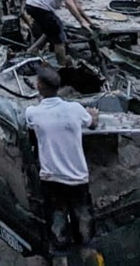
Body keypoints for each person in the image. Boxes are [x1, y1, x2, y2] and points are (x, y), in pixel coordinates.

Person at [25, 66, 100, 266]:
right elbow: (92, 123)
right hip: (78, 179)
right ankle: (88, 256)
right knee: (85, 230)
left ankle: (61, 260)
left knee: (58, 229)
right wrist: (93, 113)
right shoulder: (75, 109)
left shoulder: (34, 113)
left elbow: (27, 123)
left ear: (39, 86)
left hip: (52, 181)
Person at [24, 0, 95, 66]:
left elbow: (76, 4)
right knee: (59, 36)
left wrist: (89, 22)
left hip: (31, 4)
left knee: (51, 28)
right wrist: (81, 21)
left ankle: (33, 50)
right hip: (40, 7)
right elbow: (69, 3)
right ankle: (62, 64)